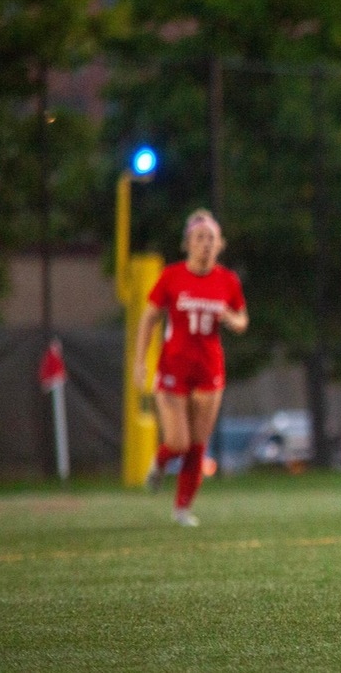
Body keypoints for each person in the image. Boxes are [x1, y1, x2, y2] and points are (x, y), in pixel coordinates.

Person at [134, 209, 248, 527]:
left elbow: (242, 319)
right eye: (200, 238)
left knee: (197, 444)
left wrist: (231, 319)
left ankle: (182, 508)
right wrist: (139, 361)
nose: (206, 244)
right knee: (178, 442)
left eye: (212, 238)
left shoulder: (227, 280)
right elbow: (149, 318)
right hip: (173, 367)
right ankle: (159, 463)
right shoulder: (172, 276)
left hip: (209, 368)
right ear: (188, 244)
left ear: (220, 244)